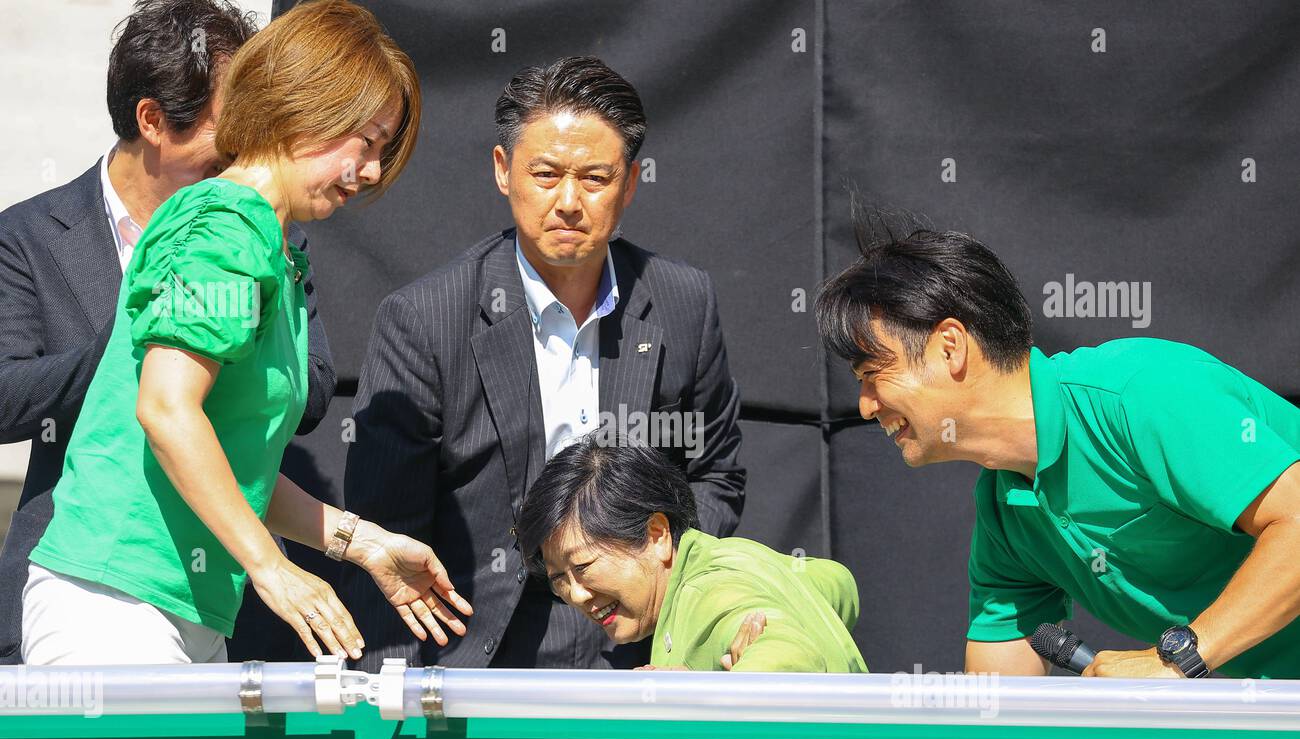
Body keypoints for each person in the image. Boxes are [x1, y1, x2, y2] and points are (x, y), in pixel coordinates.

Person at [20, 0, 468, 666]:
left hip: (175, 607)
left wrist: (362, 543)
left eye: (383, 151)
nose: (373, 171)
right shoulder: (229, 225)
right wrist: (271, 568)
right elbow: (166, 409)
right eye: (366, 142)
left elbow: (235, 469)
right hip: (114, 603)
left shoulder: (266, 241)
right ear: (304, 106)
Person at [341, 56, 745, 670]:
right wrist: (383, 705)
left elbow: (717, 475)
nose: (568, 202)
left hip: (645, 645)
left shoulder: (682, 302)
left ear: (630, 183)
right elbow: (384, 528)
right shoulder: (424, 319)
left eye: (595, 178)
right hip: (476, 644)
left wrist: (662, 588)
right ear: (503, 171)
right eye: (546, 173)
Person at [813, 206, 1300, 679]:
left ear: (950, 347)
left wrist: (1177, 660)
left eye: (874, 374)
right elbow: (995, 712)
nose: (865, 406)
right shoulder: (1004, 514)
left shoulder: (1143, 391)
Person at [0, 0, 337, 664]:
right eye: (231, 125)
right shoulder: (27, 236)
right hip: (92, 581)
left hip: (210, 588)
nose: (250, 145)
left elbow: (317, 387)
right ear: (153, 121)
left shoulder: (263, 233)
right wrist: (148, 342)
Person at [516, 436, 866, 672]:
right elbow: (838, 582)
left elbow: (788, 660)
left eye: (583, 566)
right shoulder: (733, 556)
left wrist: (709, 699)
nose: (576, 595)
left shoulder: (705, 599)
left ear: (657, 536)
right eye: (559, 578)